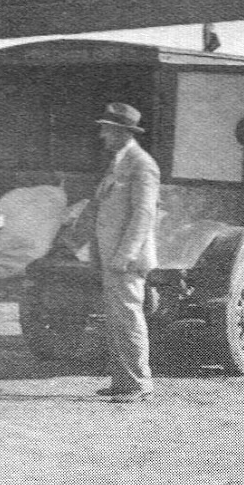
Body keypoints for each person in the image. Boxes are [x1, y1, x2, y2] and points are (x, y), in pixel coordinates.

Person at [88, 102, 159, 404]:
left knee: (128, 317)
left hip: (125, 258)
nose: (102, 135)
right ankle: (123, 380)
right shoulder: (120, 160)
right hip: (112, 254)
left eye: (106, 129)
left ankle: (137, 383)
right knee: (118, 318)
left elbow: (143, 214)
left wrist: (125, 255)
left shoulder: (142, 163)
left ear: (121, 132)